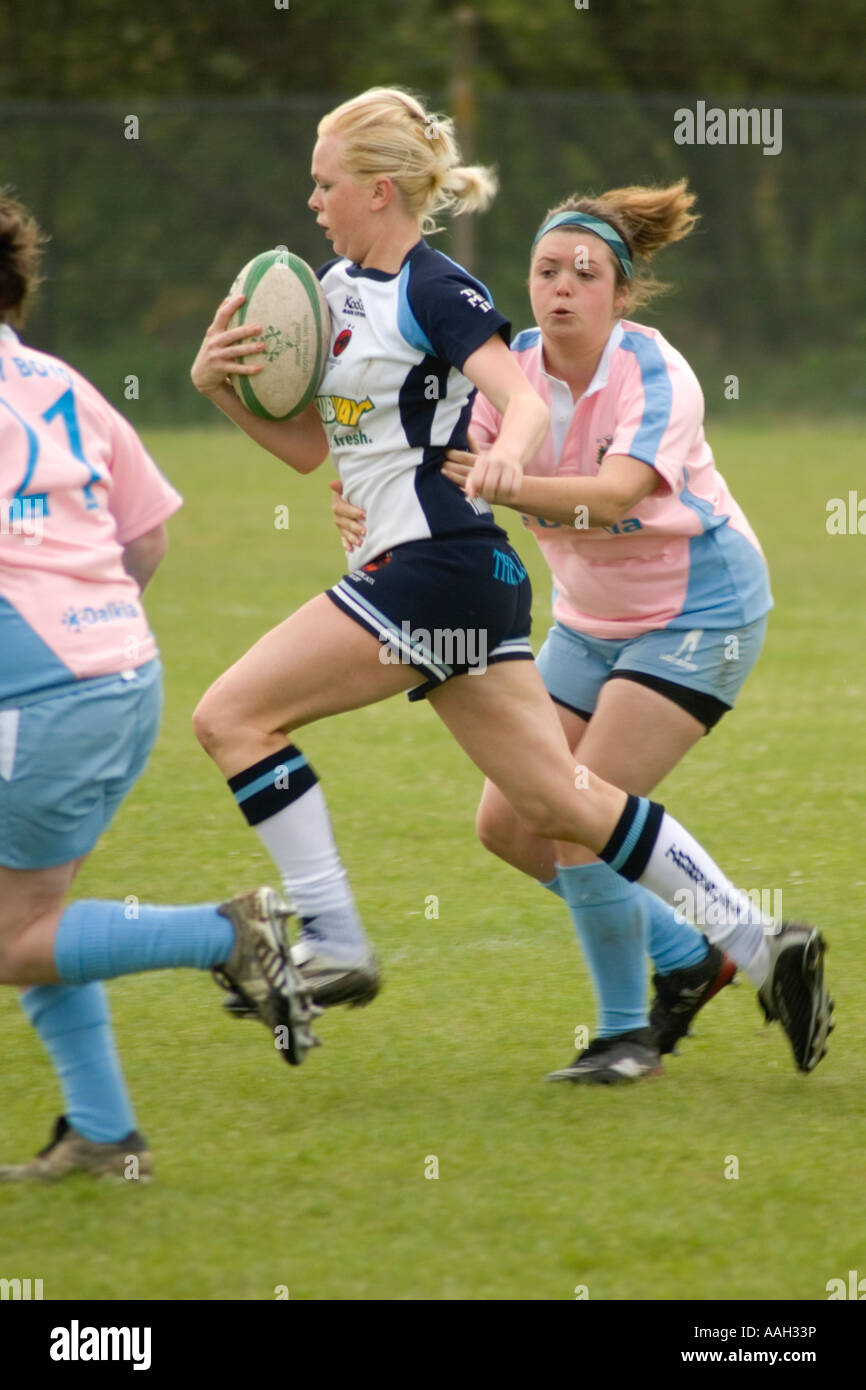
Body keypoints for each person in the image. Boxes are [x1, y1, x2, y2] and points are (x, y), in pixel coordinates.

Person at [189, 87, 832, 1082]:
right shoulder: (324, 291)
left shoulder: (437, 289)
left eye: (325, 183)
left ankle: (338, 940)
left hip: (441, 571)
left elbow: (519, 402)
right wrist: (217, 388)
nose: (311, 200)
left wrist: (510, 466)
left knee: (231, 715)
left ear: (379, 188)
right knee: (550, 802)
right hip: (456, 576)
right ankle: (751, 944)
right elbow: (310, 451)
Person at [332, 180, 775, 1083]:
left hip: (701, 610)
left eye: (585, 272)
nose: (562, 286)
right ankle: (693, 956)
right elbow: (429, 465)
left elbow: (615, 495)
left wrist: (498, 483)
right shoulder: (510, 369)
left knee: (577, 814)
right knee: (510, 822)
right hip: (590, 617)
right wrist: (369, 509)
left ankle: (625, 1036)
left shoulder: (653, 371)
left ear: (619, 293)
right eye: (545, 270)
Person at [0, 190, 318, 1184]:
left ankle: (222, 936)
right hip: (122, 673)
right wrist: (87, 628)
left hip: (39, 691)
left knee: (14, 936)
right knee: (37, 917)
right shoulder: (58, 380)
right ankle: (104, 1134)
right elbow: (146, 538)